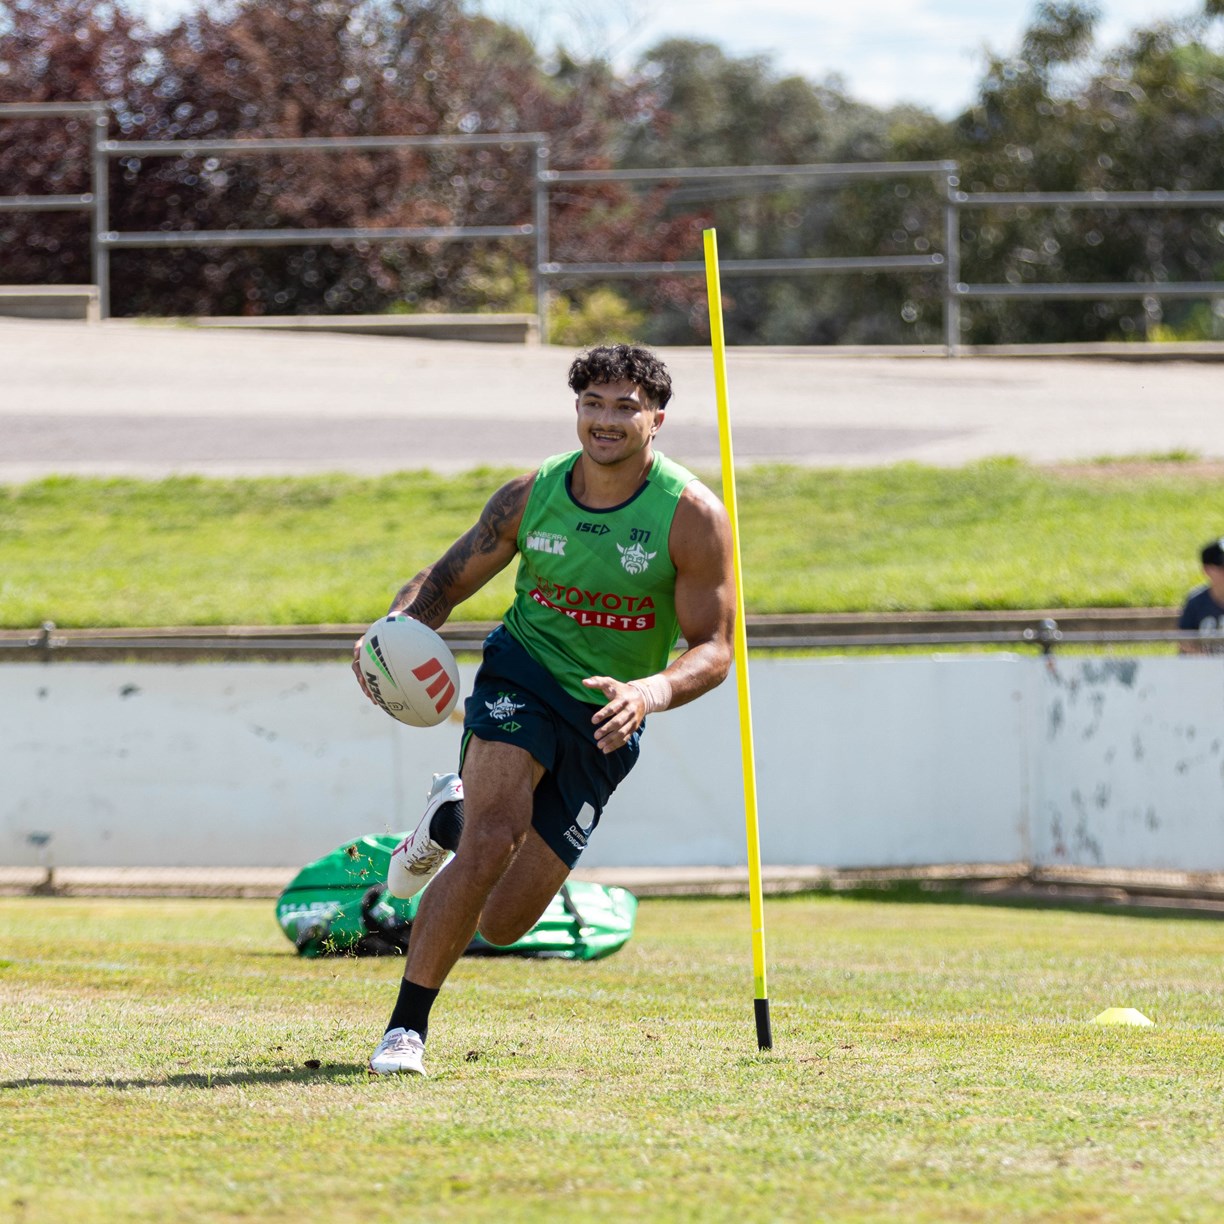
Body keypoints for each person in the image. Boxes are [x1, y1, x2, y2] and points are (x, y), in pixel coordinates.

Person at [352, 343, 736, 1076]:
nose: (606, 420)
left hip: (608, 715)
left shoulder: (690, 516)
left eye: (625, 407)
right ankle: (405, 1031)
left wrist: (647, 692)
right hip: (521, 676)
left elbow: (714, 649)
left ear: (656, 419)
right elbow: (444, 579)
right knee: (494, 837)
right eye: (593, 403)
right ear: (577, 411)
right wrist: (389, 635)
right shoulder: (532, 495)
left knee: (504, 921)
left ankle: (447, 819)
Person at [1178, 536, 1224, 655]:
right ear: (1206, 570)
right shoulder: (1196, 602)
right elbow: (1185, 643)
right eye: (1222, 568)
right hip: (1204, 669)